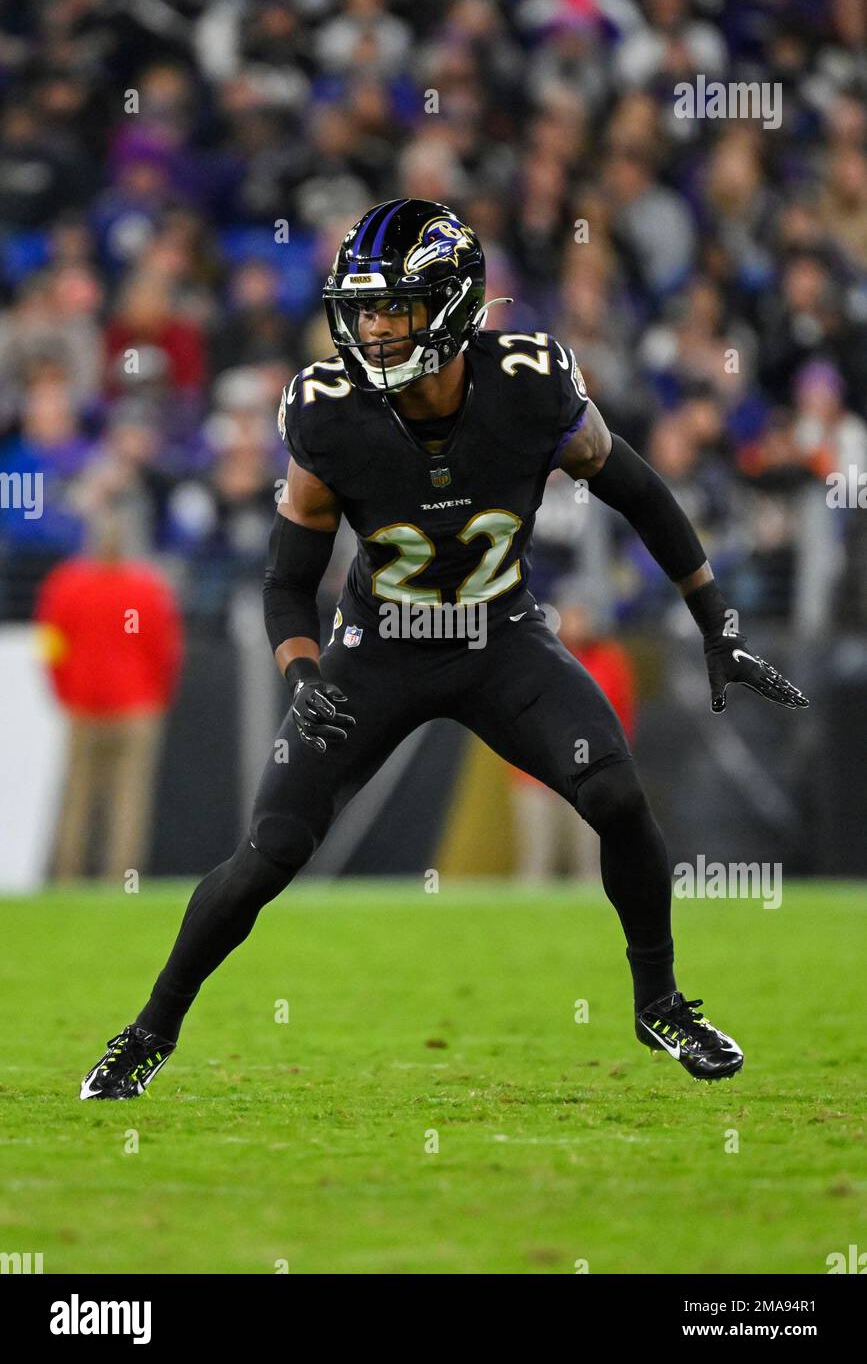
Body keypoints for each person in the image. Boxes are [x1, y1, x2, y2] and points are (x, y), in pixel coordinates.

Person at [80, 199, 808, 1100]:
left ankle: (659, 1002)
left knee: (617, 792)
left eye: (394, 308)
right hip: (376, 650)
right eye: (364, 309)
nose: (374, 330)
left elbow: (640, 491)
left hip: (499, 637)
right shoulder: (329, 413)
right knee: (268, 853)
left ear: (453, 305)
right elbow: (283, 580)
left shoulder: (530, 384)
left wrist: (715, 622)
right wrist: (301, 672)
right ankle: (147, 1033)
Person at [36, 508, 182, 880]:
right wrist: (157, 696)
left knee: (77, 795)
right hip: (136, 707)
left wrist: (64, 691)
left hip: (83, 705)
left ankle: (68, 877)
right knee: (128, 798)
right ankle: (121, 878)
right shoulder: (147, 588)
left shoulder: (65, 585)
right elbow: (165, 651)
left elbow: (52, 646)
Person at [510, 601, 636, 882]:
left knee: (591, 862)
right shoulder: (536, 657)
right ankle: (526, 925)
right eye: (570, 616)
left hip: (591, 775)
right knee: (537, 859)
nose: (575, 623)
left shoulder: (608, 658)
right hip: (538, 776)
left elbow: (623, 714)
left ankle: (596, 924)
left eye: (581, 616)